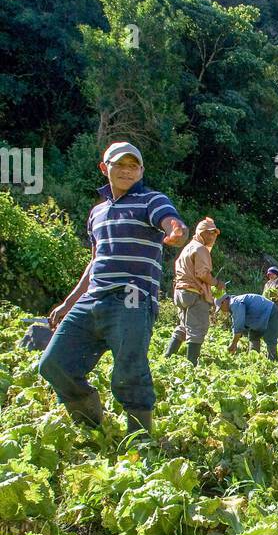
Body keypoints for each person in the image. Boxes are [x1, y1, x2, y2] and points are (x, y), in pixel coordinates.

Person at [38, 141, 187, 433]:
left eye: (134, 166)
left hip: (133, 295)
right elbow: (95, 262)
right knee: (53, 363)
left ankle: (140, 437)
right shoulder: (97, 213)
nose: (127, 171)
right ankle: (92, 422)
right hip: (93, 298)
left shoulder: (151, 200)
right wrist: (69, 303)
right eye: (120, 165)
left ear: (141, 171)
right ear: (105, 168)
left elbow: (170, 220)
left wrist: (176, 231)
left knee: (129, 366)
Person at [165, 218, 222, 365]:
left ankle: (167, 357)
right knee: (197, 328)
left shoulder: (188, 247)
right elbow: (202, 274)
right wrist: (217, 283)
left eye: (214, 234)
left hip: (180, 293)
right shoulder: (200, 249)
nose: (212, 236)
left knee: (184, 327)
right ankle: (191, 365)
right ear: (202, 233)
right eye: (210, 233)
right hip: (194, 292)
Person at [219, 291, 278, 361]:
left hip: (270, 311)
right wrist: (235, 340)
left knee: (270, 337)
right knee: (253, 336)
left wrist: (234, 343)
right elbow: (235, 324)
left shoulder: (235, 303)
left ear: (224, 302)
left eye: (220, 307)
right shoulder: (234, 304)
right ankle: (254, 359)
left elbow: (239, 325)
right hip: (257, 317)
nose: (221, 310)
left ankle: (273, 359)